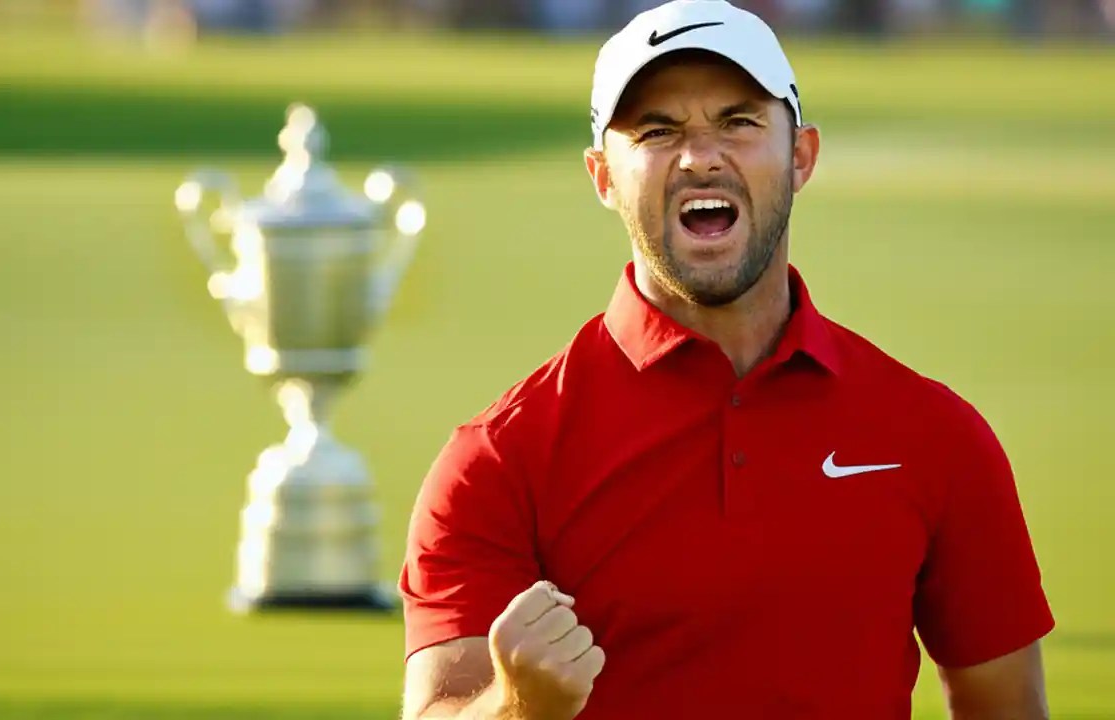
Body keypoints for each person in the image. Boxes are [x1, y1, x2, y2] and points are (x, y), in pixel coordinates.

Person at [397, 1, 1054, 718]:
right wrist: (516, 705)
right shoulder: (498, 461)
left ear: (801, 156)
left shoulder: (936, 435)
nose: (701, 157)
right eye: (658, 131)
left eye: (738, 122)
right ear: (603, 176)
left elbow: (1008, 707)